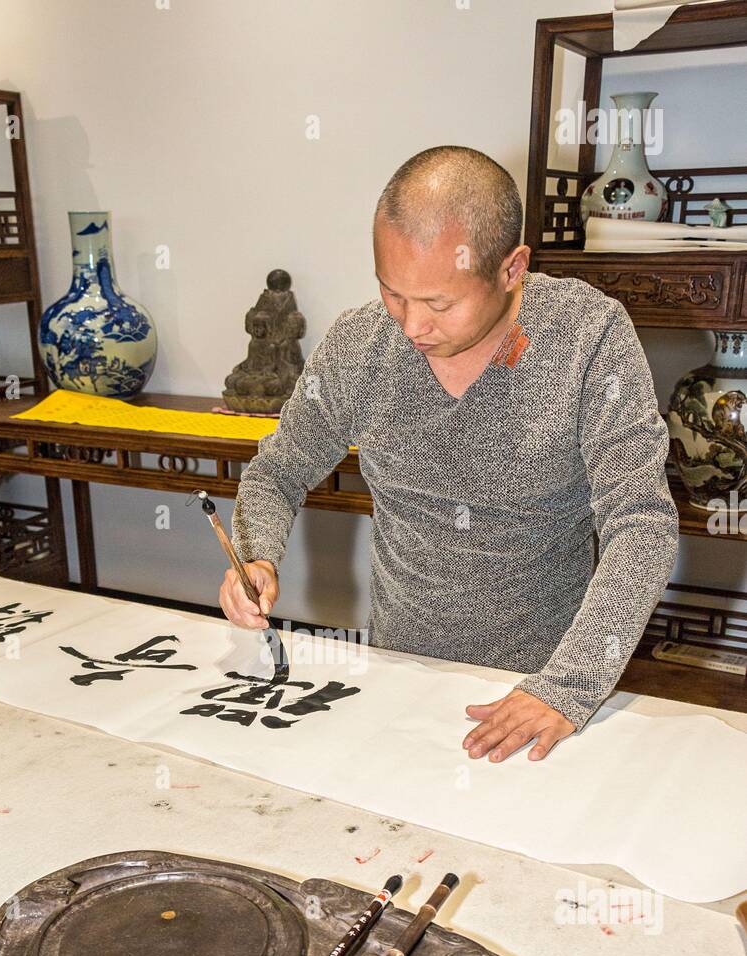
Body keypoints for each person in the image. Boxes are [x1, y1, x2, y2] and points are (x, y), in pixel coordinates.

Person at [219, 146, 679, 763]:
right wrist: (256, 556)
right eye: (392, 292)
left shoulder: (587, 337)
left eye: (439, 304)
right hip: (396, 677)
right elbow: (279, 470)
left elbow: (641, 525)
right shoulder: (361, 345)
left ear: (512, 269)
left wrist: (567, 688)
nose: (411, 325)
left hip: (540, 693)